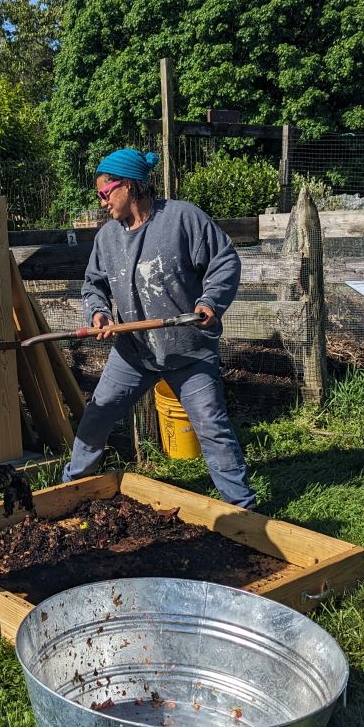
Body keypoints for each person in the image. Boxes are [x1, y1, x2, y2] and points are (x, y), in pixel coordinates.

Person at [62, 148, 256, 509]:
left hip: (187, 349)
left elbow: (224, 260)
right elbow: (94, 285)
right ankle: (69, 490)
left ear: (130, 187)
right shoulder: (108, 238)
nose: (101, 202)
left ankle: (242, 508)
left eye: (105, 193)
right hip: (134, 352)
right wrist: (99, 313)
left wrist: (209, 302)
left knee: (212, 429)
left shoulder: (182, 219)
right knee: (96, 417)